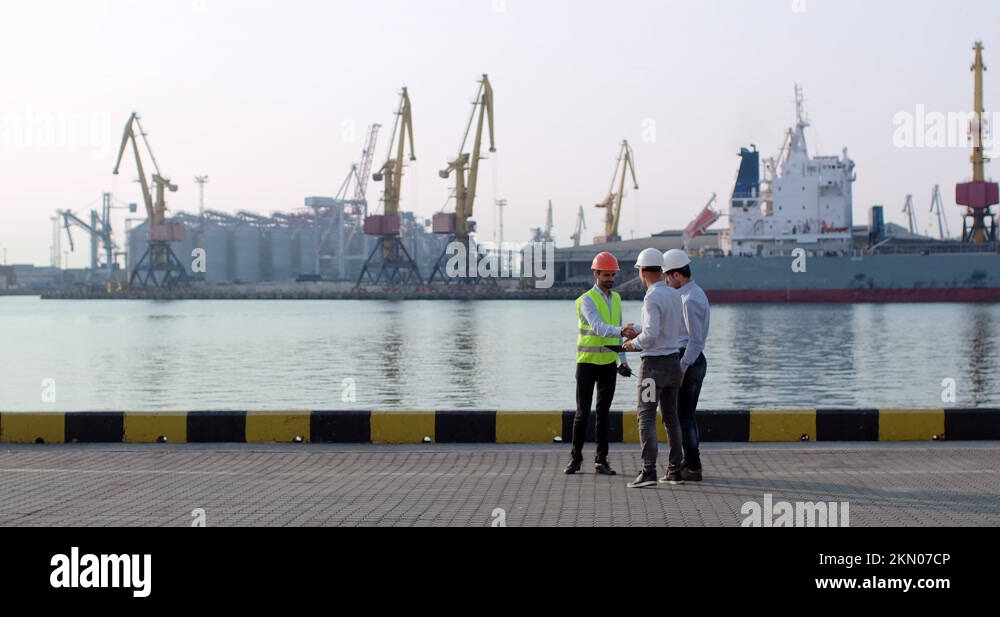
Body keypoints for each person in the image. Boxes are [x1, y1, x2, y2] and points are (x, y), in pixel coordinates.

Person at [565, 252, 637, 476]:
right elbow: (598, 327)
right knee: (582, 414)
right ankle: (575, 459)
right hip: (586, 363)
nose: (610, 279)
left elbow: (617, 336)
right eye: (606, 274)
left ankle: (601, 461)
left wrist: (622, 361)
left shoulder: (616, 299)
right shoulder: (586, 300)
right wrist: (622, 330)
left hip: (608, 364)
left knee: (604, 414)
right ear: (595, 273)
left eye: (612, 274)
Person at [622, 248, 686, 488]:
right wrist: (637, 327)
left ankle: (648, 472)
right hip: (673, 364)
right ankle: (674, 471)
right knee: (671, 419)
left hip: (653, 369)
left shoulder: (651, 297)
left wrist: (631, 344)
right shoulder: (673, 295)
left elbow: (650, 336)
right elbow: (664, 328)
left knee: (646, 417)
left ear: (642, 271)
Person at [663, 249, 710, 482]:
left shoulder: (690, 299)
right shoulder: (694, 293)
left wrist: (682, 367)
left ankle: (692, 466)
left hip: (689, 360)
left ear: (677, 275)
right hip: (692, 360)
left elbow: (695, 340)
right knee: (686, 415)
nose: (666, 281)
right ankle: (690, 463)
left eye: (667, 277)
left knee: (684, 417)